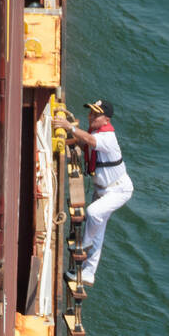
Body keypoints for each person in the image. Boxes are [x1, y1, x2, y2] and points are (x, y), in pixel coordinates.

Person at [51, 100, 133, 285]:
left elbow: (90, 141)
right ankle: (89, 273)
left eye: (96, 115)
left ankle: (84, 244)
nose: (91, 117)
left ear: (106, 120)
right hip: (102, 190)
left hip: (118, 189)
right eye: (90, 113)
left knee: (93, 213)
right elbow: (85, 145)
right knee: (99, 231)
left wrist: (68, 126)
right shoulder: (95, 132)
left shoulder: (107, 137)